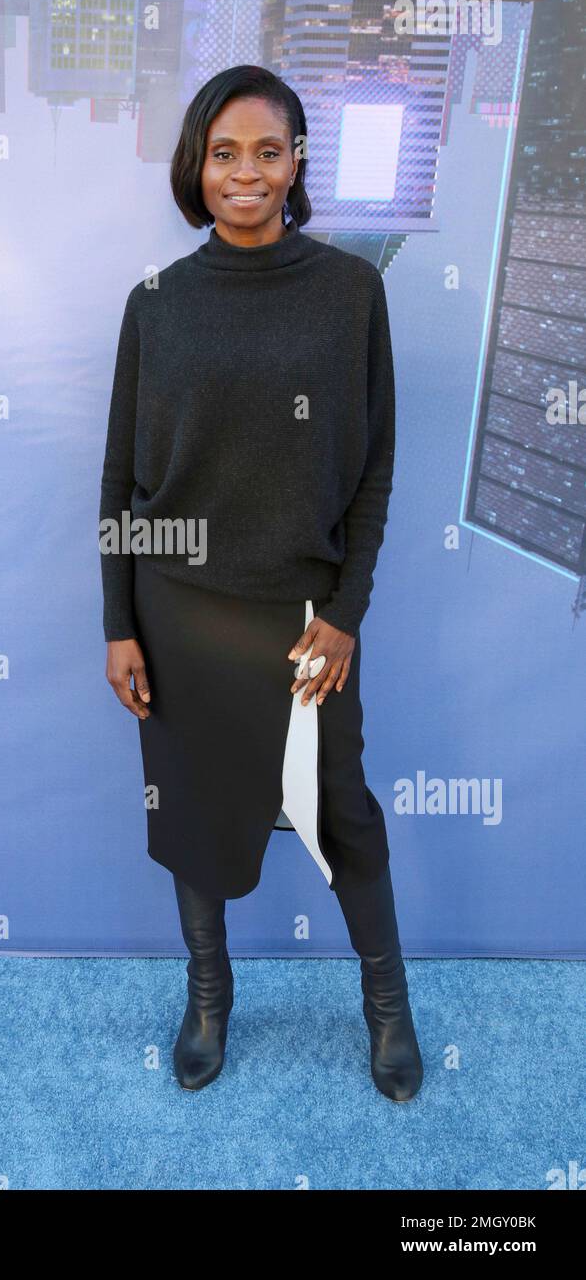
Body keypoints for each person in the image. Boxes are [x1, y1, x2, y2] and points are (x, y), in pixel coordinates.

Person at [98, 65, 423, 1101]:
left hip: (299, 627)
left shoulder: (347, 293)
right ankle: (207, 996)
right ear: (196, 164)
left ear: (295, 166)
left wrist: (343, 615)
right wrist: (118, 622)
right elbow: (118, 477)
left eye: (267, 151)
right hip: (175, 614)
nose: (246, 173)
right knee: (194, 816)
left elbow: (373, 468)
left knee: (341, 821)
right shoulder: (155, 304)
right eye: (224, 152)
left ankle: (386, 1006)